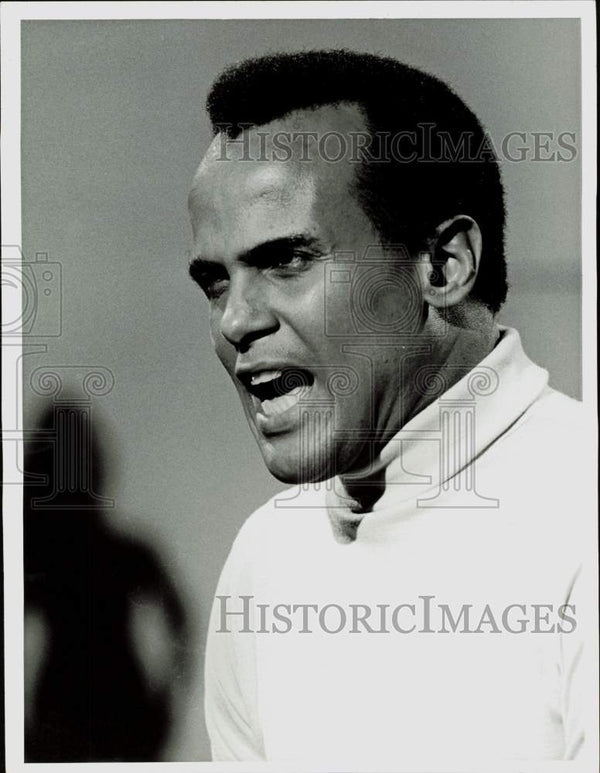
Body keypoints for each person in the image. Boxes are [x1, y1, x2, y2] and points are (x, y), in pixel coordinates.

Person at [187, 50, 588, 765]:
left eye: (286, 260)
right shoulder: (265, 557)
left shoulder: (583, 512)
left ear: (442, 264)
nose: (234, 321)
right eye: (216, 282)